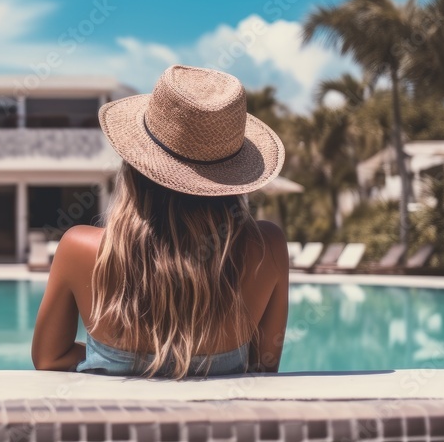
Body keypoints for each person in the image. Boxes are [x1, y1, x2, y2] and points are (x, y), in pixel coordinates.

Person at [32, 65, 289, 377]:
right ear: (233, 180)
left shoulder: (80, 249)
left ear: (135, 166)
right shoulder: (267, 248)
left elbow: (49, 359)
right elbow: (262, 368)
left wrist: (107, 357)